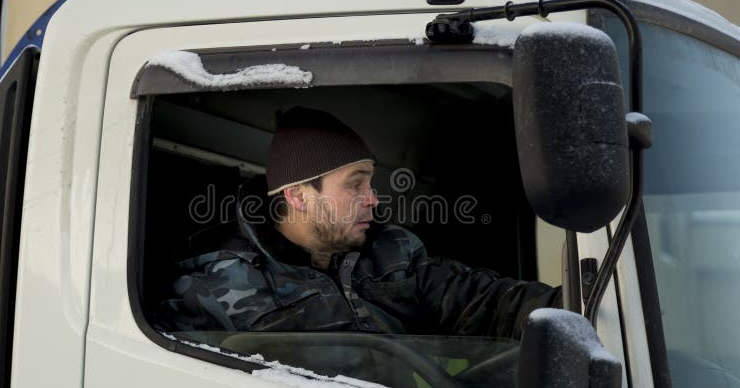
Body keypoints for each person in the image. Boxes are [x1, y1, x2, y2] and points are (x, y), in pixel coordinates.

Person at [155, 107, 560, 337]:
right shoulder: (216, 287)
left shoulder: (394, 255)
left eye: (370, 182)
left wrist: (574, 312)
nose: (373, 199)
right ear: (297, 196)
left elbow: (484, 302)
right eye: (355, 184)